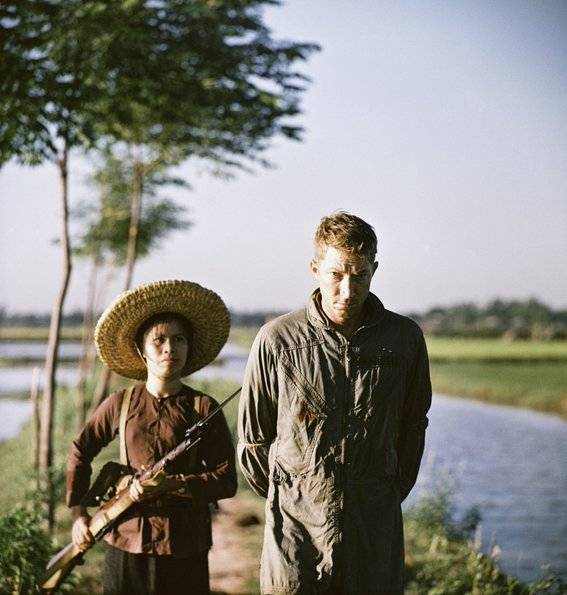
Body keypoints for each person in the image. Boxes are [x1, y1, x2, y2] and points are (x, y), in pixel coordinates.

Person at [238, 212, 432, 594]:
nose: (348, 289)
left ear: (374, 269)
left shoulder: (404, 339)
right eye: (336, 274)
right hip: (295, 531)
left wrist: (383, 490)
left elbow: (413, 426)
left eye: (360, 275)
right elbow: (253, 443)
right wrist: (299, 491)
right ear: (315, 268)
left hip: (373, 528)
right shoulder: (277, 340)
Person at [66, 279, 237, 595]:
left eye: (179, 339)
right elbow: (81, 448)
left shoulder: (204, 408)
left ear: (188, 347)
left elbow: (226, 479)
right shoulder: (120, 403)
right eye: (159, 340)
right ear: (141, 351)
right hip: (126, 542)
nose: (170, 348)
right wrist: (78, 513)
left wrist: (177, 485)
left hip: (186, 547)